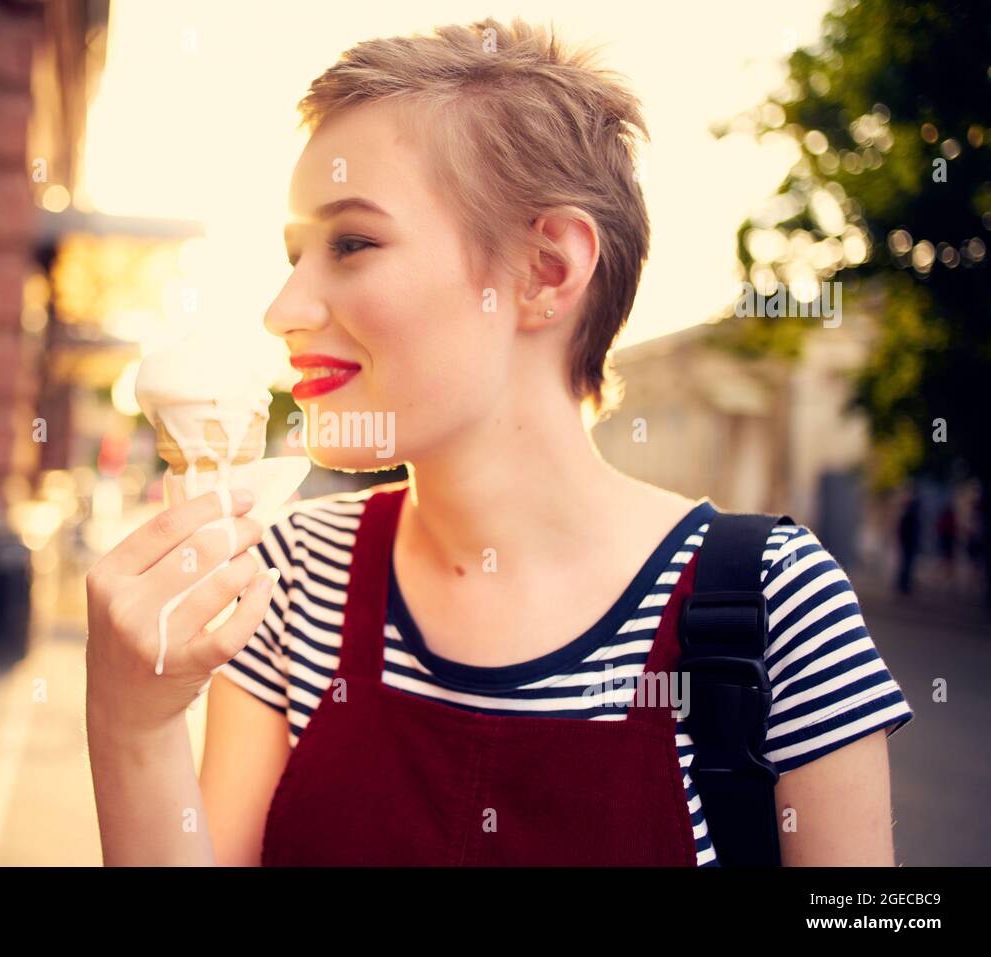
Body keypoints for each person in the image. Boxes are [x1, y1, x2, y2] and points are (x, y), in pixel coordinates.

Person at [84, 17, 914, 866]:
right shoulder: (292, 576)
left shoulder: (775, 607)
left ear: (545, 272)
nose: (283, 310)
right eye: (296, 253)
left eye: (352, 243)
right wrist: (131, 722)